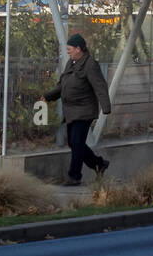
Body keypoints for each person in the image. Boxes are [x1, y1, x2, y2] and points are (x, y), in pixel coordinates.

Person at [42, 33, 112, 186]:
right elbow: (62, 86)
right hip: (71, 112)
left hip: (84, 111)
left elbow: (100, 86)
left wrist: (106, 107)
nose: (68, 51)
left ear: (79, 49)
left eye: (70, 49)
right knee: (74, 143)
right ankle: (98, 164)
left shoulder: (90, 64)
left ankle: (74, 176)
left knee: (76, 142)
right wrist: (48, 96)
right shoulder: (71, 63)